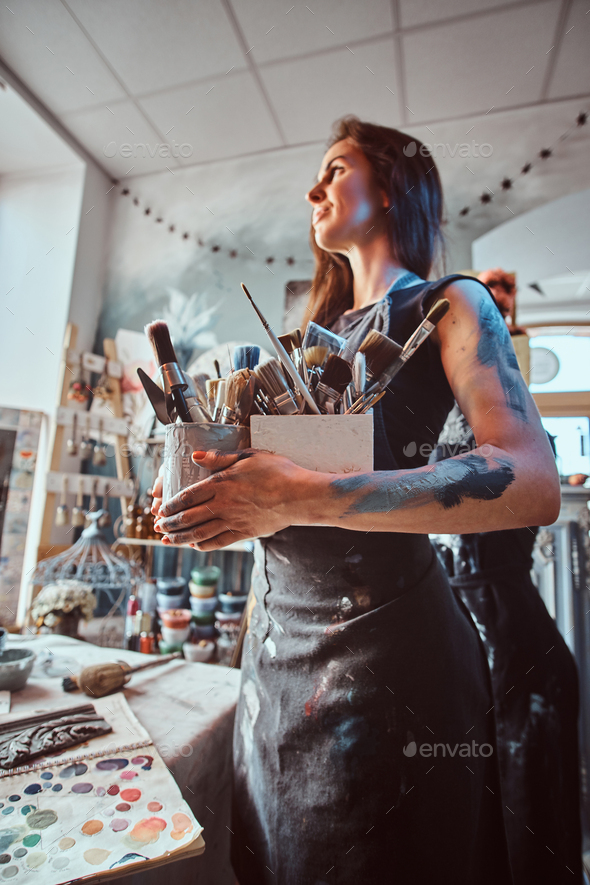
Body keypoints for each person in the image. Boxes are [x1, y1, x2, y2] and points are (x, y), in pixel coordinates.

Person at [151, 116, 566, 884]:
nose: (314, 189)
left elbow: (532, 479)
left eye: (336, 169)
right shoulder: (307, 341)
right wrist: (211, 488)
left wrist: (304, 495)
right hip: (273, 669)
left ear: (395, 186)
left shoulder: (449, 304)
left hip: (389, 675)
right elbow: (272, 494)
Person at [429, 271, 582, 885]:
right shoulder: (432, 425)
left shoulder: (520, 432)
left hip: (517, 651)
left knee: (529, 827)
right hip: (457, 641)